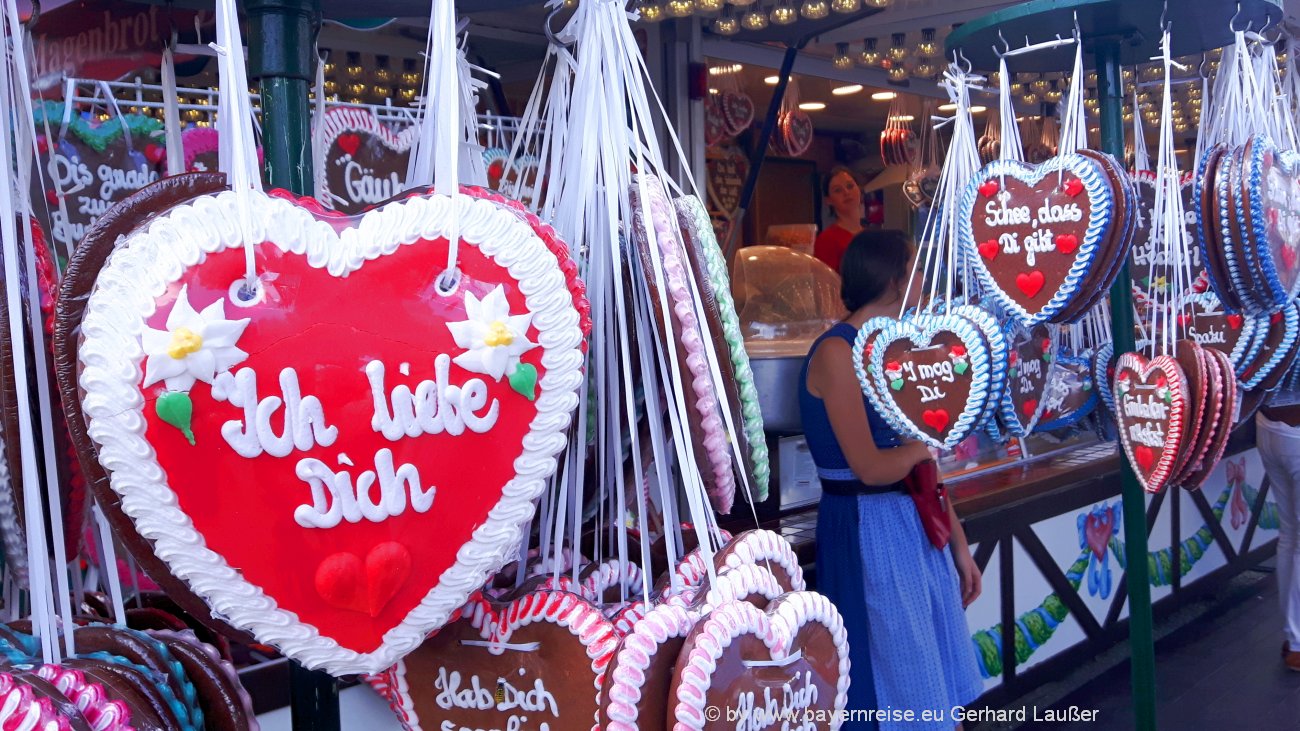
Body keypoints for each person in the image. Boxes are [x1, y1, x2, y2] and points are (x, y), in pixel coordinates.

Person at [800, 230, 984, 731]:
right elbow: (871, 467)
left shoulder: (895, 351)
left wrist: (959, 547)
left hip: (914, 523)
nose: (922, 278)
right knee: (893, 683)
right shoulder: (838, 353)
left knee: (930, 679)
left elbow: (921, 467)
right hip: (866, 524)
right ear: (893, 278)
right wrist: (926, 444)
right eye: (915, 266)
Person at [1257, 404, 1300, 671]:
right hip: (1294, 431)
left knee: (1288, 536)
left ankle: (1293, 636)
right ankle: (1297, 643)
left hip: (1268, 425)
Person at [814, 167, 863, 273]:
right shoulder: (827, 240)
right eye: (837, 190)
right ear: (829, 200)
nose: (846, 192)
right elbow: (825, 283)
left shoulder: (870, 235)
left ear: (859, 189)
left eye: (850, 186)